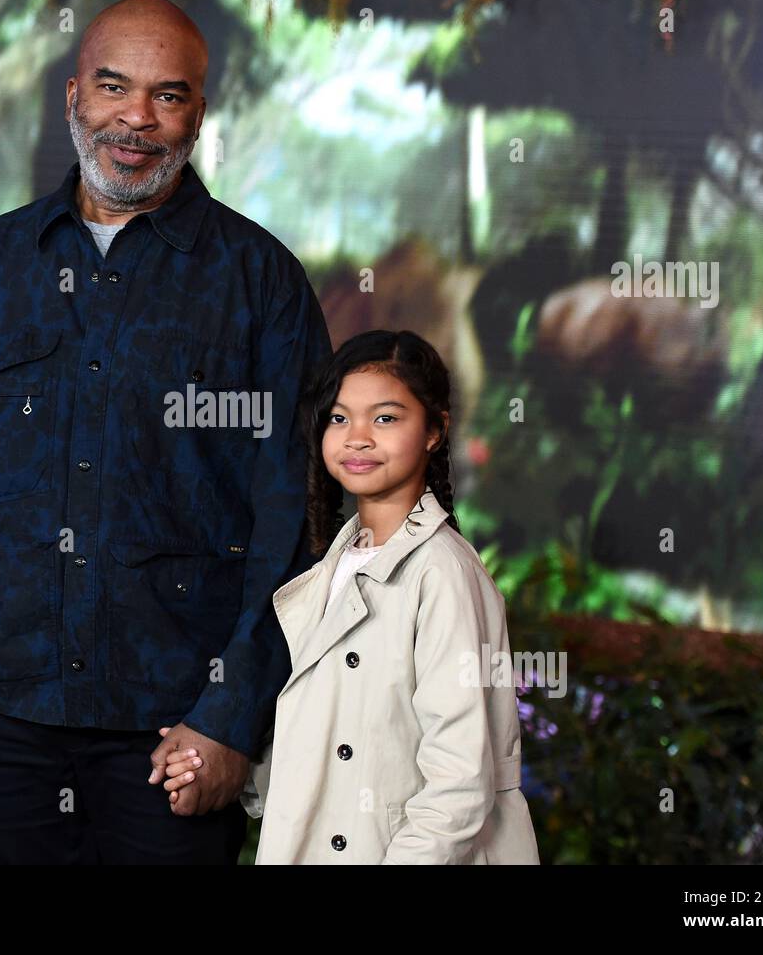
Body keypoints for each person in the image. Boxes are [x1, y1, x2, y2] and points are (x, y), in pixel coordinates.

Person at [0, 0, 332, 864]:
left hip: (176, 729)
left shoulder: (261, 283)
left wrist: (233, 717)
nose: (137, 119)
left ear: (199, 113)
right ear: (74, 96)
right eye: (115, 88)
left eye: (169, 95)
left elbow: (299, 517)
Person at [158, 329, 540, 863]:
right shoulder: (332, 566)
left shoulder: (444, 573)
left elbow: (460, 781)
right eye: (339, 418)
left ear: (434, 431)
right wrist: (213, 752)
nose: (357, 437)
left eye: (385, 418)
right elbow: (322, 743)